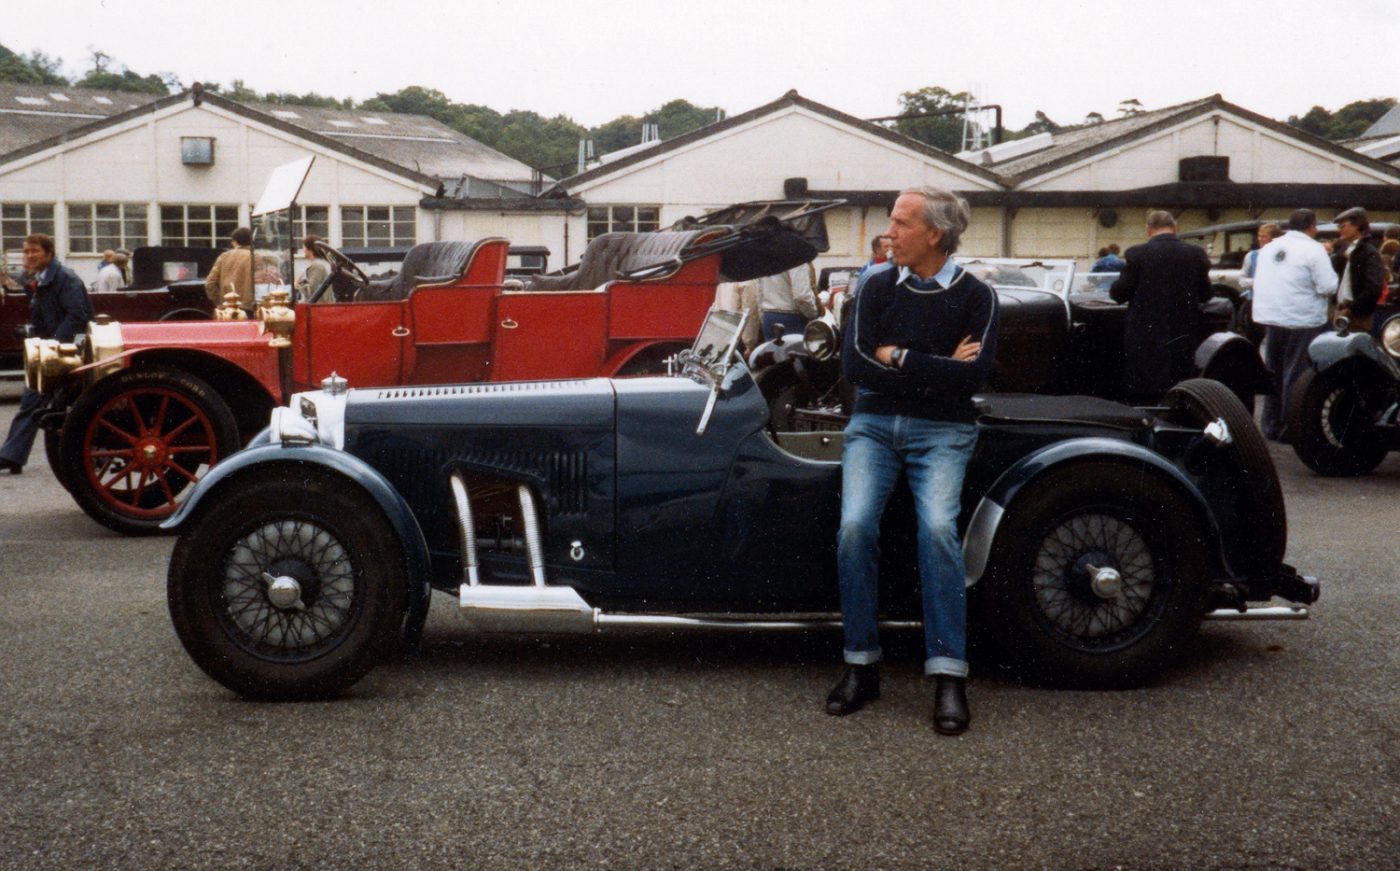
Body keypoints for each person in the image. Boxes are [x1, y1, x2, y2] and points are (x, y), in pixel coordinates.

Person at [825, 185, 998, 735]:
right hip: (872, 426)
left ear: (935, 235)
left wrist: (896, 354)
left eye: (900, 224)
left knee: (937, 531)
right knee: (854, 527)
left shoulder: (978, 296)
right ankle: (861, 664)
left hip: (944, 432)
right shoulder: (874, 283)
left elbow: (972, 377)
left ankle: (949, 676)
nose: (888, 233)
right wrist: (935, 365)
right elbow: (855, 366)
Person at [0, 234, 93, 474]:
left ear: (49, 254)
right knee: (33, 399)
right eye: (25, 252)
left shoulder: (65, 279)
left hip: (70, 348)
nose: (28, 256)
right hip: (52, 349)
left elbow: (77, 317)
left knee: (75, 405)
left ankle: (12, 455)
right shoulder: (38, 279)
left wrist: (52, 346)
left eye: (34, 252)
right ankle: (12, 456)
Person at [1251, 208, 1338, 441]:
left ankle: (1271, 424)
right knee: (1296, 375)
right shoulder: (1313, 250)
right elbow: (1328, 286)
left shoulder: (1269, 249)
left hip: (1271, 317)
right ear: (1311, 226)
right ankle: (1291, 427)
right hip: (1302, 319)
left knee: (1274, 372)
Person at [1108, 210, 1213, 399]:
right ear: (1174, 227)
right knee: (1181, 387)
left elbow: (1118, 294)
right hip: (1183, 334)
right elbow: (1206, 294)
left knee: (1146, 390)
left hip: (1145, 337)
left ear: (1148, 230)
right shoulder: (1195, 254)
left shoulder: (1136, 254)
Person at [1330, 207, 1384, 333]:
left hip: (1356, 316)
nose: (1339, 230)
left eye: (1343, 226)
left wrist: (1351, 309)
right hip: (1340, 310)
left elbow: (1374, 288)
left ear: (1357, 225)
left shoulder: (1368, 252)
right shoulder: (1345, 250)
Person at [755, 261, 819, 339]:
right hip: (792, 318)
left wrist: (763, 316)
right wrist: (813, 314)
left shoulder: (764, 257)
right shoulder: (798, 257)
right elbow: (801, 296)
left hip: (769, 316)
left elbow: (759, 292)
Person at [204, 227, 255, 310]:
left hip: (229, 306)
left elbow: (210, 283)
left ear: (234, 242)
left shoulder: (224, 257)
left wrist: (220, 302)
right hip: (251, 307)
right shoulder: (257, 257)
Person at [1238, 223, 1285, 297]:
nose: (1260, 239)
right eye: (1259, 236)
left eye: (1264, 236)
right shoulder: (1251, 256)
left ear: (1274, 238)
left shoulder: (1283, 256)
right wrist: (1257, 282)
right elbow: (1241, 280)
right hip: (1255, 299)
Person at [298, 234, 332, 300]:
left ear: (310, 250)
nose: (303, 250)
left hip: (320, 308)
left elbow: (311, 290)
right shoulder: (321, 263)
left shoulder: (317, 266)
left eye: (305, 247)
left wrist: (299, 283)